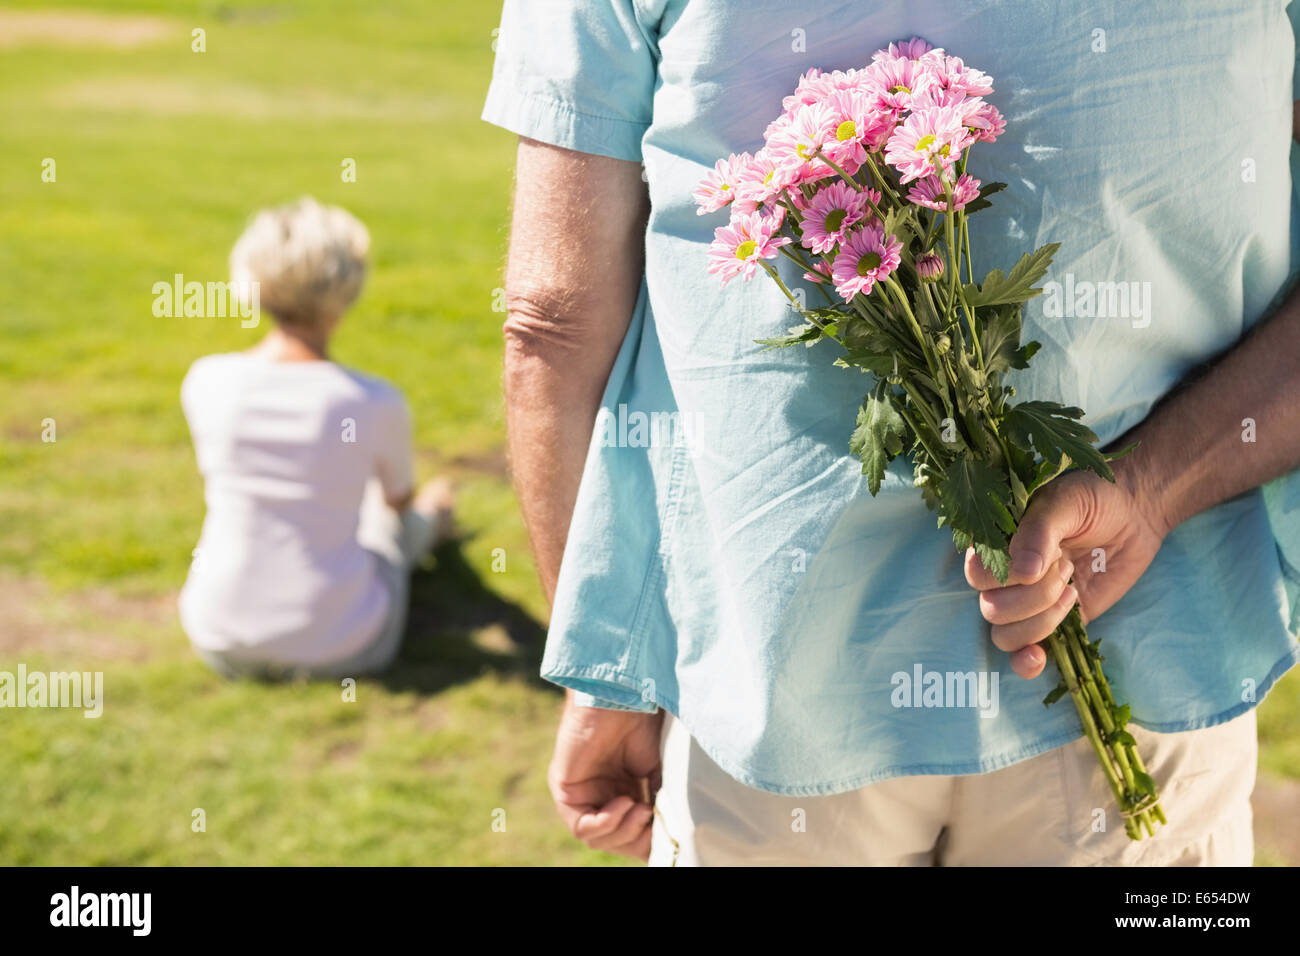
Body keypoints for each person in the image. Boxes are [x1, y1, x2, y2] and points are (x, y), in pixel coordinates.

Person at [485, 2, 1300, 865]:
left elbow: (552, 324)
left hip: (783, 674)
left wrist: (605, 680)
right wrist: (1149, 492)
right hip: (1153, 648)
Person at [179, 197, 454, 680]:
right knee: (396, 521)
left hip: (219, 638)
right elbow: (396, 503)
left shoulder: (206, 381)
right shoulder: (374, 401)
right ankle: (439, 520)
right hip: (345, 646)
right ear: (346, 290)